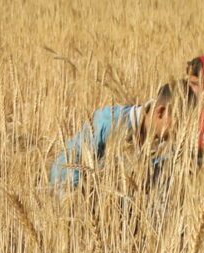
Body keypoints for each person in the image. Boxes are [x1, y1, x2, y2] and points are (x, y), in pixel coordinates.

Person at [49, 80, 190, 189]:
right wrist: (80, 198)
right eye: (178, 124)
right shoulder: (110, 122)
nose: (179, 131)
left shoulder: (167, 147)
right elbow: (64, 165)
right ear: (160, 112)